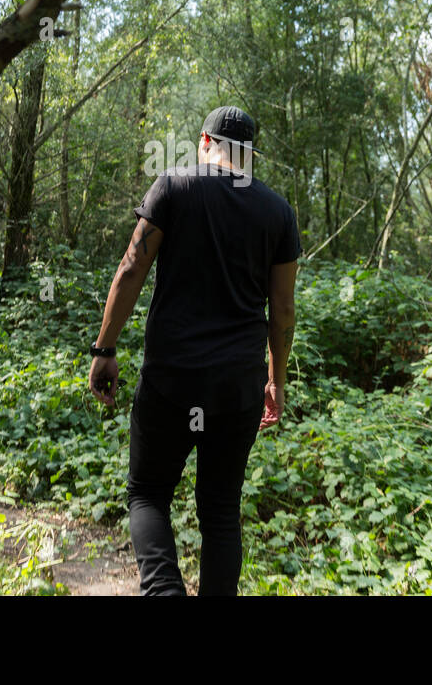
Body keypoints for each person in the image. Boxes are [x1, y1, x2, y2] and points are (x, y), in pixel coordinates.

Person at [88, 105, 301, 595]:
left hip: (172, 379)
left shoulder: (174, 186)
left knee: (147, 494)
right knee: (221, 509)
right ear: (250, 157)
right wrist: (275, 379)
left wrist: (104, 348)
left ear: (205, 142)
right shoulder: (278, 212)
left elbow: (130, 270)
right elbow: (283, 310)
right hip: (238, 387)